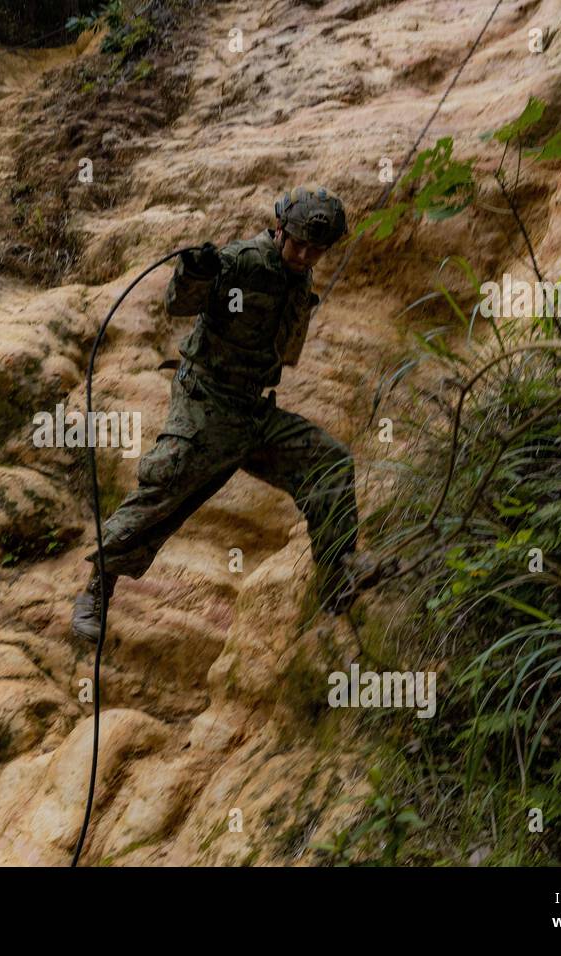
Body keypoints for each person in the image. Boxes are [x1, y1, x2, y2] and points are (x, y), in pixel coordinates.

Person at [70, 187, 385, 643]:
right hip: (205, 403)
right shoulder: (241, 261)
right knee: (164, 487)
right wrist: (195, 272)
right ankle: (98, 588)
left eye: (317, 248)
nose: (305, 253)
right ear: (279, 229)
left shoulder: (300, 275)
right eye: (298, 243)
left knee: (329, 462)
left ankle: (337, 577)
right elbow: (180, 303)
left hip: (251, 411)